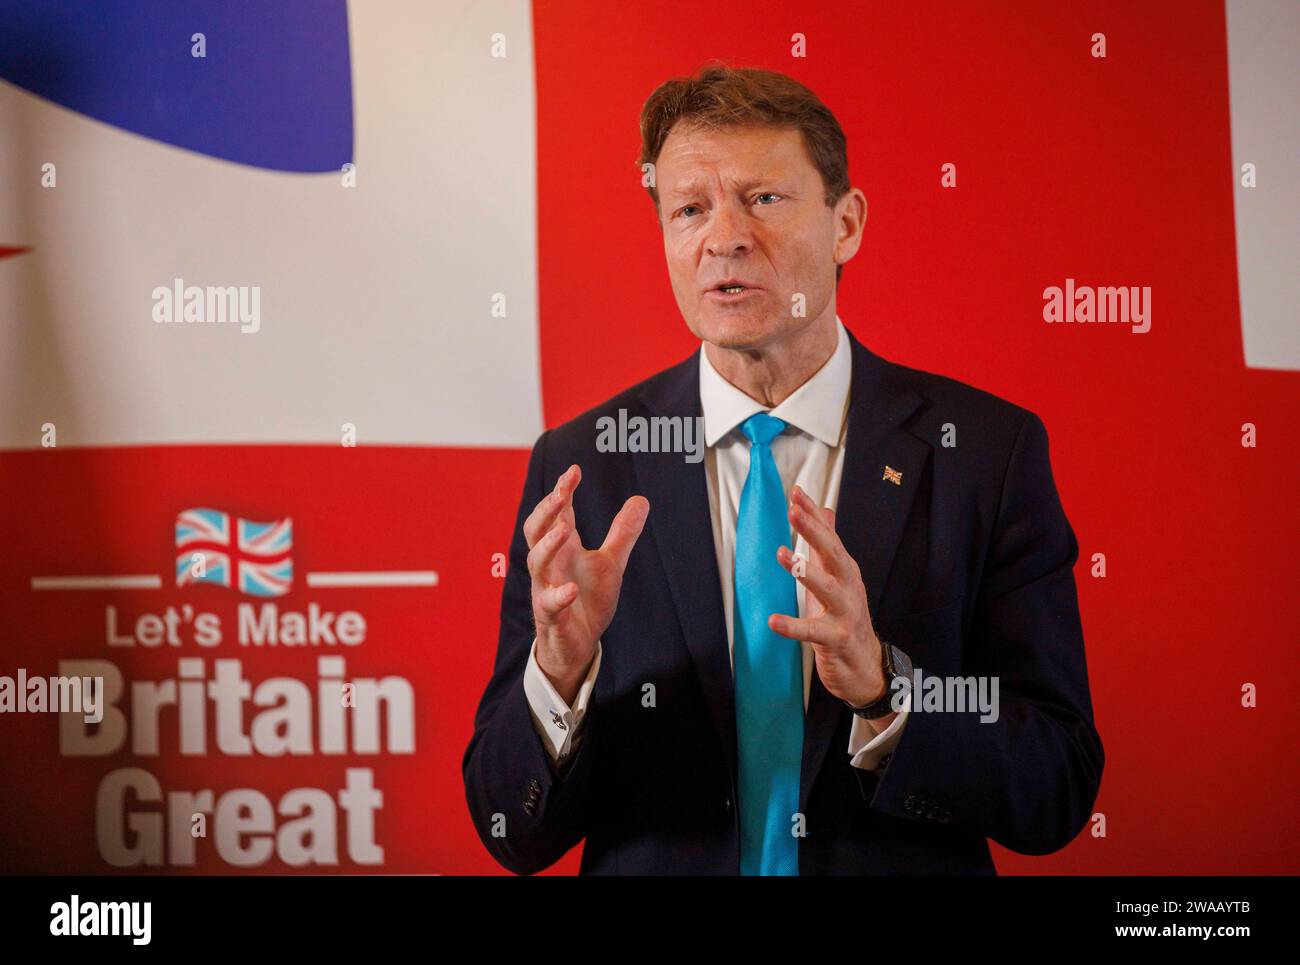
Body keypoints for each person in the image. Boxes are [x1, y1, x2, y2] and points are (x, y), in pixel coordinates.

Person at [463, 63, 1103, 875]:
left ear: (847, 225)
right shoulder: (586, 464)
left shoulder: (983, 452)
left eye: (763, 198)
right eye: (690, 208)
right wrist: (559, 671)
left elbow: (1057, 786)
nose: (724, 237)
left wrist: (885, 688)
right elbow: (508, 831)